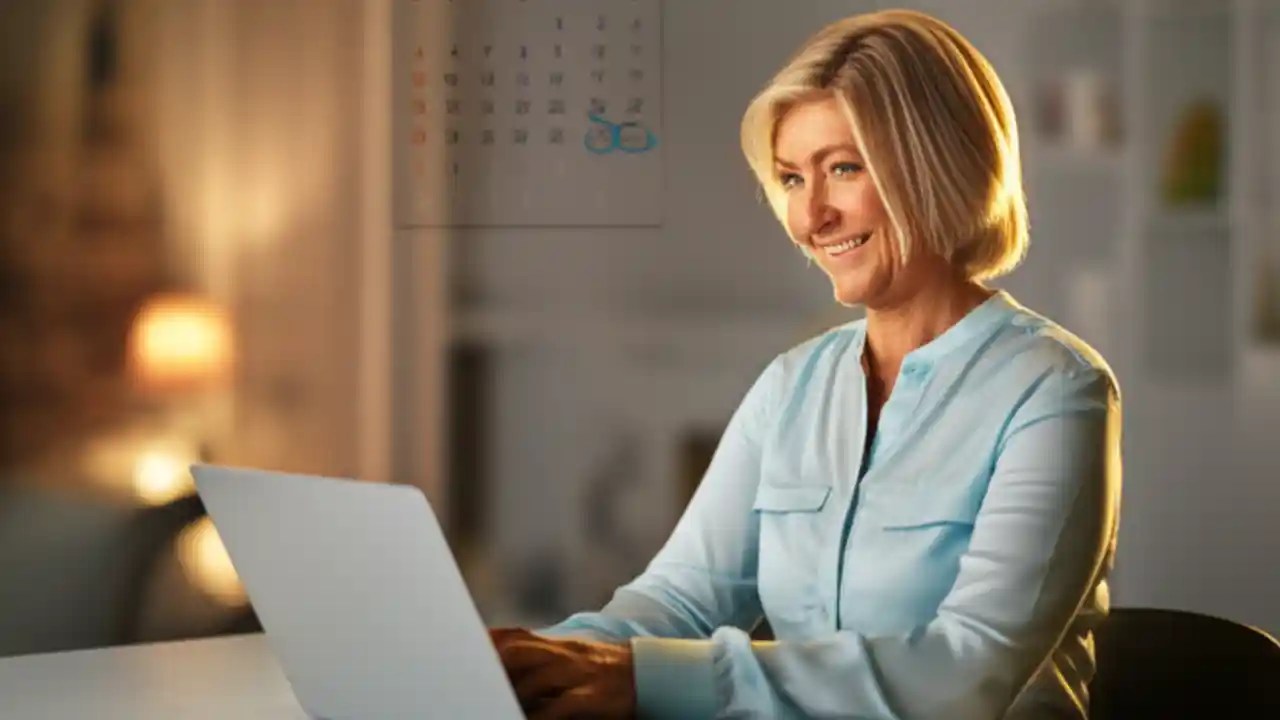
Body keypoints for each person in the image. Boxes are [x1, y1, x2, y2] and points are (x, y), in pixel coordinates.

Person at [491, 8, 1122, 719]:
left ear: (940, 165)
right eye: (792, 179)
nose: (810, 216)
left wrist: (649, 680)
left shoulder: (1054, 390)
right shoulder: (792, 385)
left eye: (843, 169)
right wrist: (530, 661)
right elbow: (681, 599)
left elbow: (965, 672)